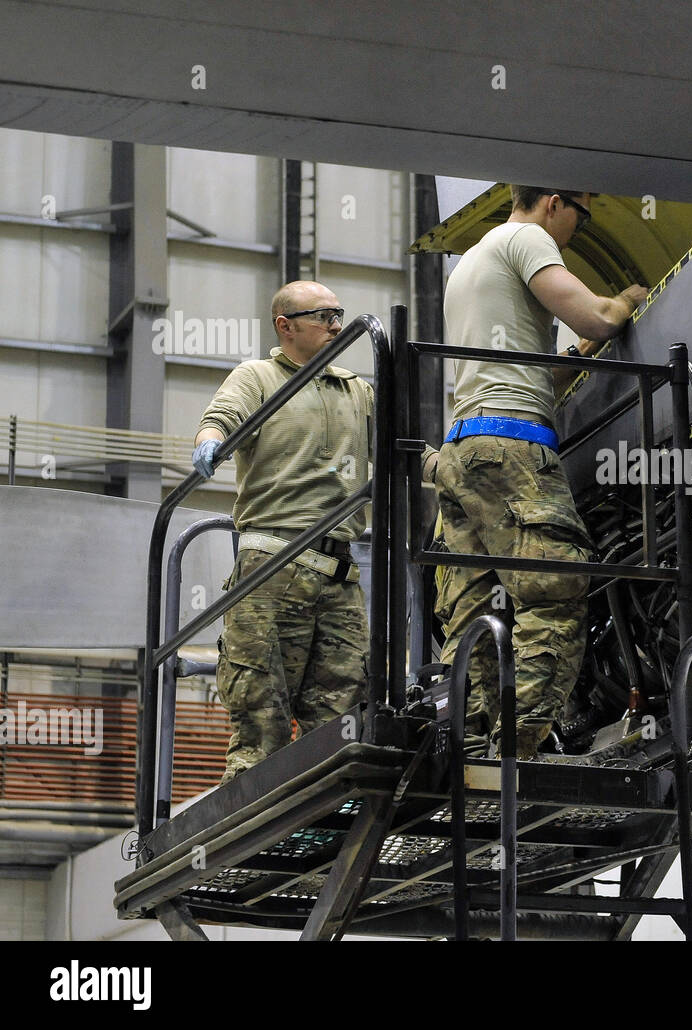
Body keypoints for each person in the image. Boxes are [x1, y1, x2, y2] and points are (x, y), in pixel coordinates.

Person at [193, 280, 436, 784]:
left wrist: (460, 470)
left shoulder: (357, 391)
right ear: (286, 326)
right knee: (261, 713)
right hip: (272, 566)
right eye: (322, 316)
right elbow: (222, 416)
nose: (335, 326)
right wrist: (211, 439)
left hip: (340, 574)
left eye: (338, 314)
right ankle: (254, 828)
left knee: (343, 717)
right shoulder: (257, 376)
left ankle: (334, 812)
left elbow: (405, 451)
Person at [435, 186, 648, 760]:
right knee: (555, 591)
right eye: (582, 213)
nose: (581, 226)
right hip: (514, 449)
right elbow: (601, 318)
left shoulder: (471, 262)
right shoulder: (527, 238)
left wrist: (571, 359)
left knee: (472, 610)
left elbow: (517, 375)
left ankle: (470, 741)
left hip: (463, 450)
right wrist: (631, 295)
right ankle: (518, 746)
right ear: (554, 203)